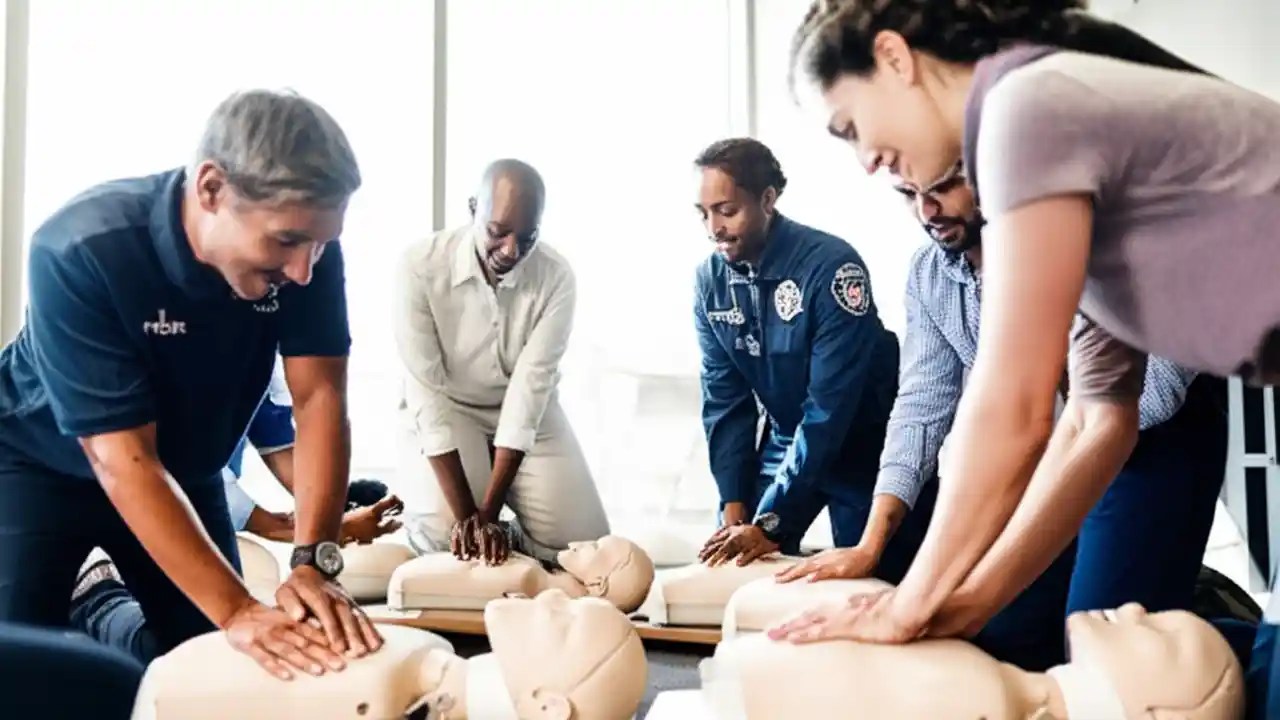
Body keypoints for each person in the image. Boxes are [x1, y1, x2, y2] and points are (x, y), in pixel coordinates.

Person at [776, 1, 1280, 716]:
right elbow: (1097, 422)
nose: (865, 161)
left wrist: (907, 606)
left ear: (894, 57)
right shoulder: (1058, 157)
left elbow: (1014, 404)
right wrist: (967, 604)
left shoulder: (1023, 109)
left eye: (852, 126)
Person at [776, 154, 1229, 670]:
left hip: (1154, 446)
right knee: (1005, 632)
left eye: (944, 187)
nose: (927, 210)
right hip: (1048, 445)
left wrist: (1035, 342)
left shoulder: (1093, 244)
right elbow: (922, 402)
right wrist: (869, 544)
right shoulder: (931, 275)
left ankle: (1238, 648)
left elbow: (1153, 398)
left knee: (1101, 643)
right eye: (908, 195)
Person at [0, 88, 381, 683]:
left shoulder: (307, 254)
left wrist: (312, 562)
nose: (304, 269)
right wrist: (238, 610)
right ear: (211, 189)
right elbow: (123, 461)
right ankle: (85, 600)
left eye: (321, 243)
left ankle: (103, 607)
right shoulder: (79, 248)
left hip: (186, 467)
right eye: (286, 241)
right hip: (39, 464)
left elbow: (319, 398)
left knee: (213, 667)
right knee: (25, 668)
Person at [67, 361, 404, 664]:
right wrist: (337, 534)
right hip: (126, 486)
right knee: (187, 648)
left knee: (201, 642)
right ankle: (99, 601)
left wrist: (334, 520)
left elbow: (285, 450)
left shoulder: (262, 345)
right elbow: (259, 520)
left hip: (197, 486)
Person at [691, 138, 910, 579]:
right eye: (704, 213)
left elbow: (828, 411)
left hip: (862, 443)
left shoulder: (832, 268)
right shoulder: (709, 281)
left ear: (767, 200)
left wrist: (771, 520)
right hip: (787, 436)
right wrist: (735, 504)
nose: (713, 227)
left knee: (875, 582)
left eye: (726, 210)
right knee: (740, 559)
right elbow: (725, 402)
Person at [394, 159, 609, 568]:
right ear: (474, 208)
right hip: (451, 407)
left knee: (586, 546)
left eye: (526, 239)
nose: (511, 251)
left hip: (530, 413)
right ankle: (442, 520)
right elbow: (427, 393)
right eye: (497, 233)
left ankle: (509, 532)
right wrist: (467, 519)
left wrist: (489, 515)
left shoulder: (556, 276)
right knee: (446, 538)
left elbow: (530, 391)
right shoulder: (419, 267)